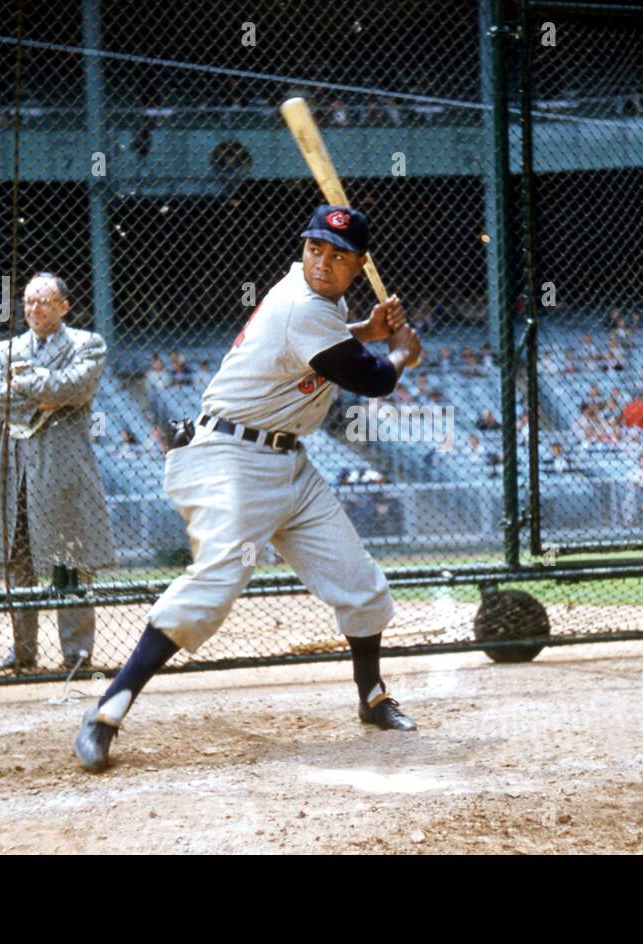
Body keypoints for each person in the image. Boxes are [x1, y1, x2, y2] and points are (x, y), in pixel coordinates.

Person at [75, 205, 423, 772]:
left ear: (359, 267)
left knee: (358, 582)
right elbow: (374, 378)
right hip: (229, 459)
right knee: (214, 585)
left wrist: (369, 331)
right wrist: (401, 352)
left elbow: (320, 349)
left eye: (339, 257)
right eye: (315, 249)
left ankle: (372, 696)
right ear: (303, 249)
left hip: (287, 463)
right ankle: (104, 715)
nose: (323, 262)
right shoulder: (302, 304)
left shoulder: (319, 310)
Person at [0, 273, 115, 672]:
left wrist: (25, 383)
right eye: (28, 303)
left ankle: (77, 653)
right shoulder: (5, 347)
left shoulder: (87, 343)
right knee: (17, 562)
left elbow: (76, 388)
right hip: (14, 464)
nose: (33, 310)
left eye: (43, 302)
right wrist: (44, 398)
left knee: (68, 560)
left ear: (64, 306)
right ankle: (24, 651)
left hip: (63, 465)